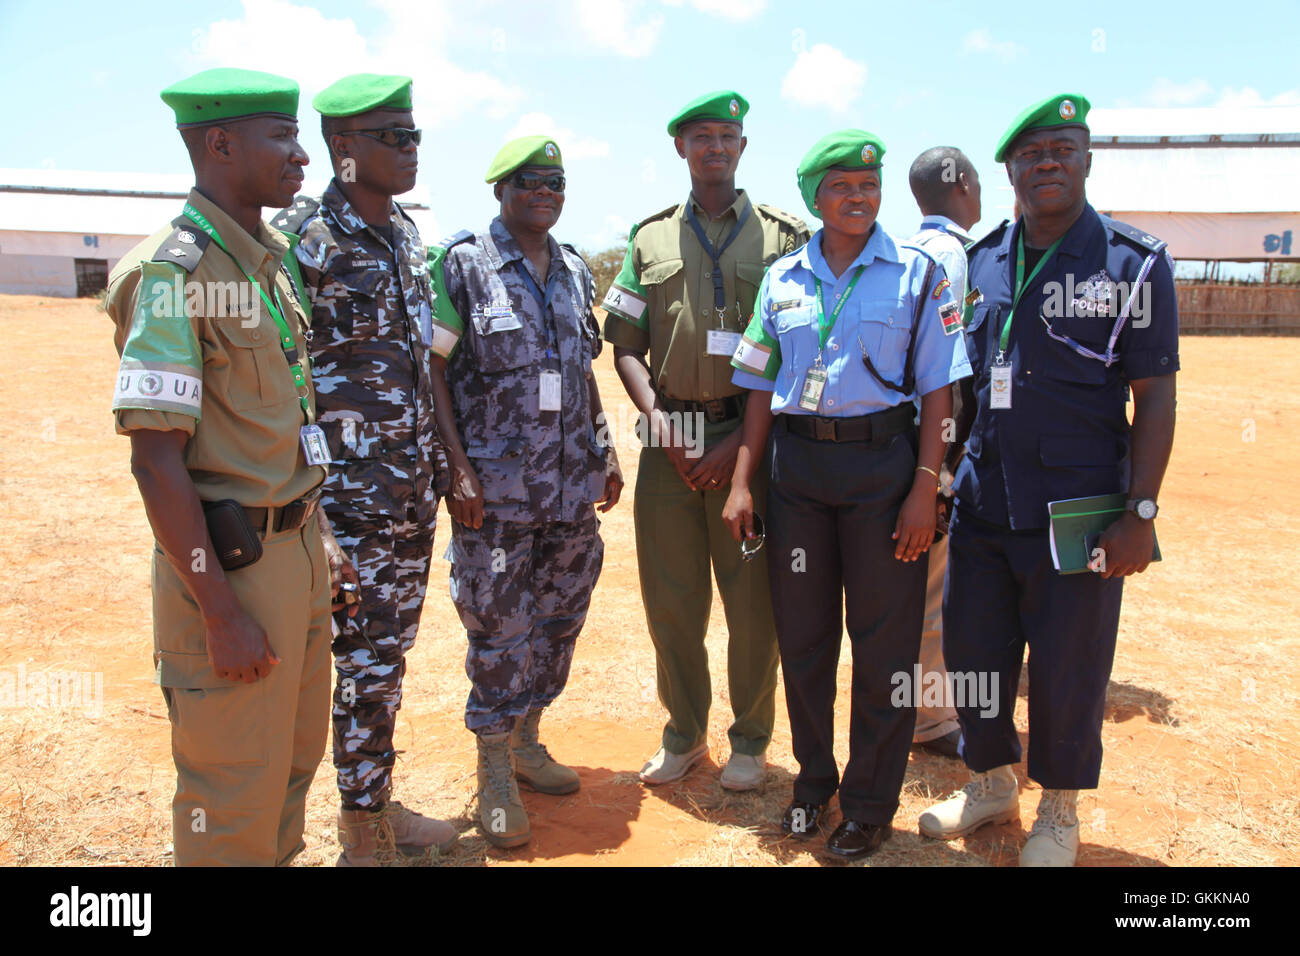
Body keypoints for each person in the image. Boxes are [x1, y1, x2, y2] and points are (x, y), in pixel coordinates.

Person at [917, 94, 1179, 866]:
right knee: (973, 652)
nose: (1048, 164)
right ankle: (994, 779)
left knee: (1069, 662)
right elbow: (962, 384)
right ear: (1010, 171)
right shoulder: (987, 257)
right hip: (985, 500)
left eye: (1063, 148)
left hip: (1083, 512)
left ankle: (1059, 809)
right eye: (1031, 155)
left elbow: (1155, 394)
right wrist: (943, 479)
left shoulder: (1134, 265)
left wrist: (1141, 511)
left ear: (1087, 159)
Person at [106, 68, 351, 865]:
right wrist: (217, 609)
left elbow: (282, 422)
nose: (302, 156)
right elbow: (155, 463)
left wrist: (320, 539)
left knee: (289, 773)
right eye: (280, 137)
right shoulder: (171, 277)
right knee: (231, 795)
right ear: (219, 144)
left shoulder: (265, 263)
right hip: (231, 570)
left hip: (296, 554)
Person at [724, 130, 972, 859]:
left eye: (869, 185)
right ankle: (813, 785)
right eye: (841, 187)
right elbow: (760, 391)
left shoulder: (918, 273)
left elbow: (941, 391)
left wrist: (926, 487)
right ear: (815, 198)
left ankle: (867, 804)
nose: (858, 197)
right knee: (803, 642)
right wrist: (743, 481)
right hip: (798, 478)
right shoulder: (783, 279)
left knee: (885, 649)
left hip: (885, 474)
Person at [271, 73, 455, 866]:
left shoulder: (408, 235)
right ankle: (361, 838)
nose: (412, 149)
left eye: (415, 134)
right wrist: (314, 516)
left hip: (409, 498)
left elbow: (423, 366)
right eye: (394, 136)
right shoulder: (301, 239)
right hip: (343, 506)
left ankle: (373, 806)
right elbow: (280, 384)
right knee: (356, 668)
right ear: (344, 148)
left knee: (385, 664)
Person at [602, 90, 809, 790]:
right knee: (671, 602)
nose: (714, 148)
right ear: (680, 149)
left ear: (743, 147)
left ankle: (750, 742)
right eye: (701, 137)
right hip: (672, 433)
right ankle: (684, 734)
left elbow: (798, 354)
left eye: (727, 136)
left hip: (752, 434)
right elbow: (624, 343)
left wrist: (739, 450)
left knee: (752, 605)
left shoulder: (787, 237)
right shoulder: (648, 237)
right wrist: (660, 423)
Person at [427, 136, 623, 848]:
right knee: (500, 631)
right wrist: (457, 467)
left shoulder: (572, 269)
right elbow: (433, 371)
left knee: (559, 622)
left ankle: (527, 741)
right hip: (497, 494)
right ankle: (494, 770)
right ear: (501, 188)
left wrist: (604, 448)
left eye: (557, 180)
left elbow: (581, 371)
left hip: (571, 490)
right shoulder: (464, 264)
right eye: (531, 180)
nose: (546, 190)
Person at [906, 146, 982, 759]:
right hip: (929, 442)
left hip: (897, 439)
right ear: (965, 188)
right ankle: (929, 718)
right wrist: (945, 467)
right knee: (935, 589)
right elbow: (947, 368)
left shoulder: (906, 249)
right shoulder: (953, 254)